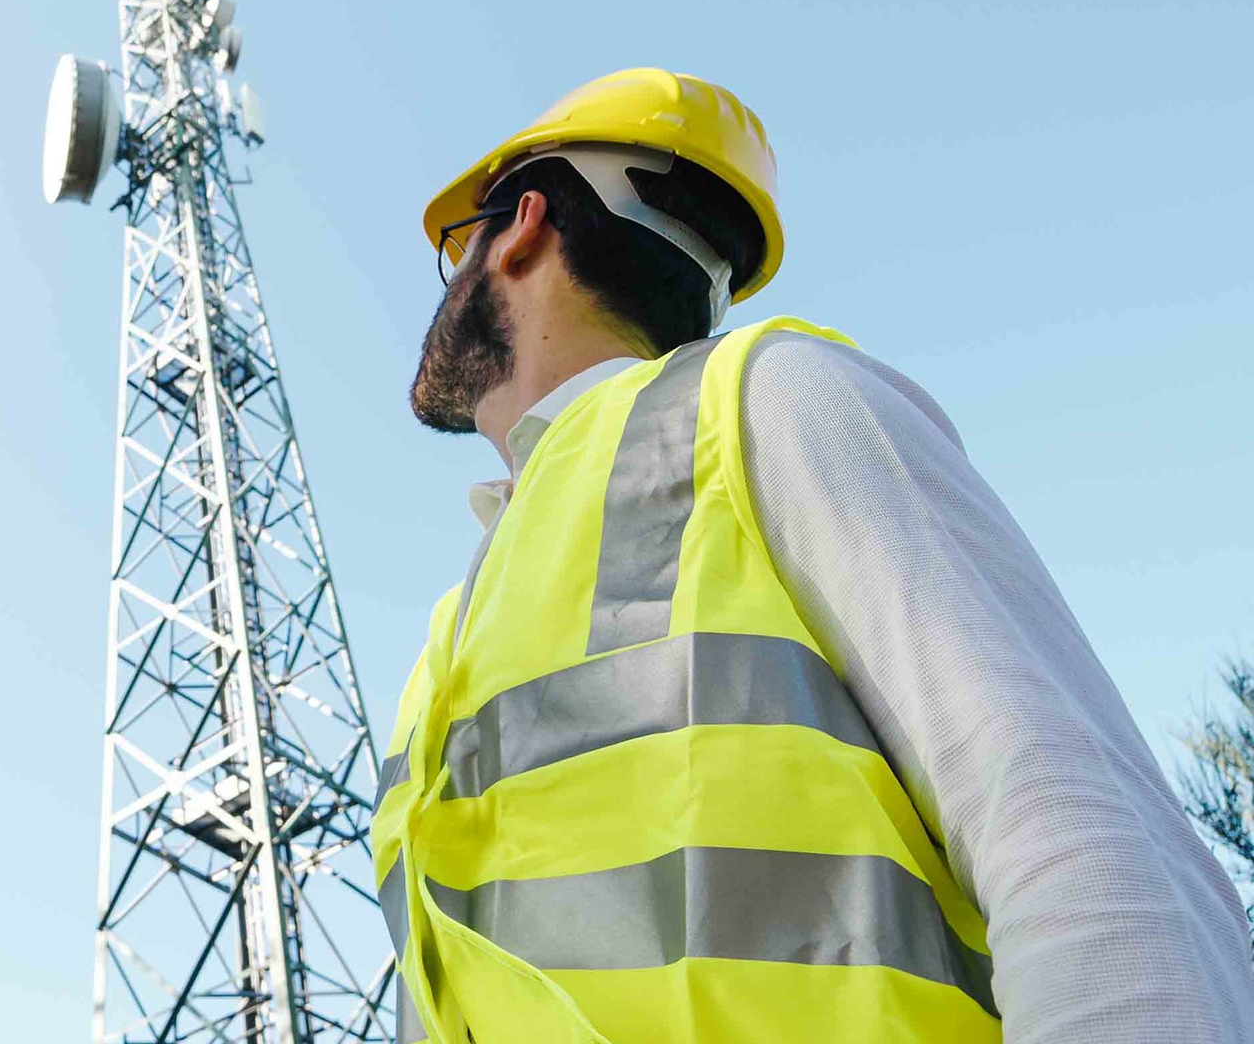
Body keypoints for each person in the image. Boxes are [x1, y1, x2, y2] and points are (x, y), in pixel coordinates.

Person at [375, 67, 1254, 1044]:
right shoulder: (464, 620)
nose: (450, 278)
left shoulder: (761, 401)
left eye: (460, 245)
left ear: (524, 225)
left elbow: (1084, 841)